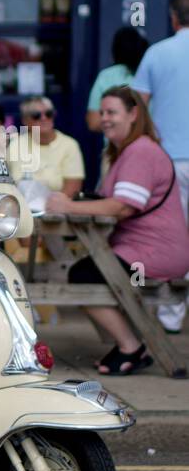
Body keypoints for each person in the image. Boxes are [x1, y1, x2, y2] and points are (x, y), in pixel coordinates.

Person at [45, 86, 189, 374]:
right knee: (88, 272)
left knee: (83, 276)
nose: (105, 119)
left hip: (151, 259)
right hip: (141, 251)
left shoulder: (141, 152)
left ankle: (131, 347)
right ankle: (129, 344)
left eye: (112, 112)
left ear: (134, 114)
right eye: (103, 112)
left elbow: (123, 207)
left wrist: (69, 207)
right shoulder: (127, 152)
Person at [131, 0, 189, 332]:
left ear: (173, 18)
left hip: (168, 163)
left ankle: (170, 315)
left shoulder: (156, 52)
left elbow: (137, 110)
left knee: (172, 239)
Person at [86, 25, 148, 137]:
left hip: (116, 150)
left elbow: (93, 122)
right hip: (148, 147)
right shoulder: (151, 73)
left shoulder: (106, 76)